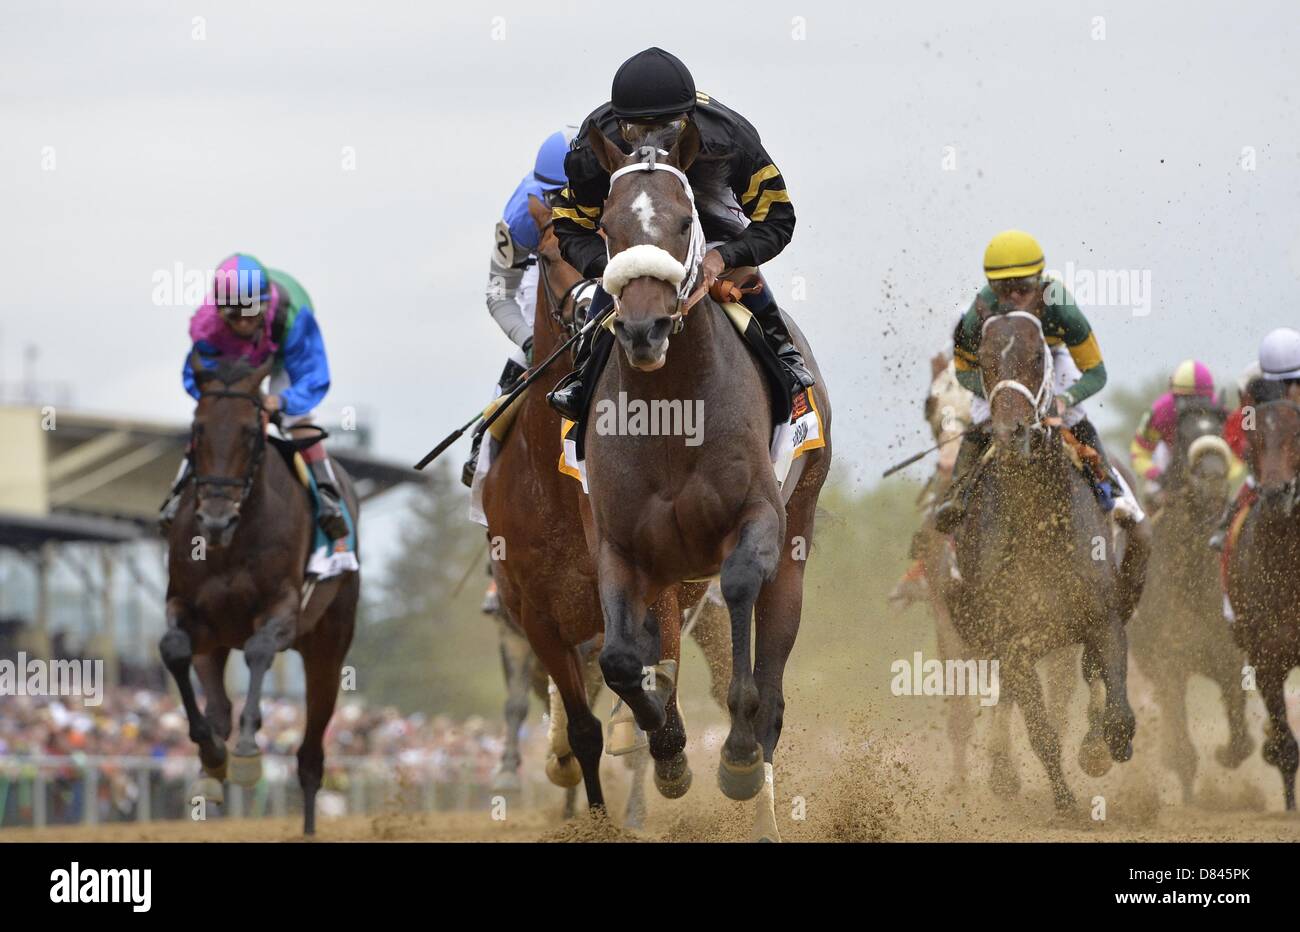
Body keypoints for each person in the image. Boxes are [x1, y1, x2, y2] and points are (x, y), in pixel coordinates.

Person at [547, 46, 812, 421]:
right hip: (631, 217)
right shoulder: (591, 156)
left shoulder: (731, 141)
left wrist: (724, 257)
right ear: (619, 127)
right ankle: (585, 374)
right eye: (636, 133)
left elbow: (778, 220)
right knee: (617, 283)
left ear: (688, 122)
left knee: (735, 256)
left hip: (706, 206)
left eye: (667, 131)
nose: (651, 145)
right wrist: (614, 265)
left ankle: (783, 353)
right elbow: (571, 228)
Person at [934, 229, 1142, 532]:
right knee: (980, 422)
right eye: (1004, 289)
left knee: (1074, 418)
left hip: (1050, 360)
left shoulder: (1060, 306)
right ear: (991, 286)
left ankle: (1112, 488)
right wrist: (998, 394)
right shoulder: (977, 315)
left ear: (1041, 280)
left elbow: (1097, 373)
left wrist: (1064, 399)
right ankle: (956, 496)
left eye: (1024, 287)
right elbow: (963, 370)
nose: (1014, 297)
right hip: (1000, 372)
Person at [158, 253, 348, 539]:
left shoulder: (292, 319)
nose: (244, 323)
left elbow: (313, 378)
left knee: (295, 417)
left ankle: (327, 495)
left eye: (251, 312)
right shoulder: (208, 328)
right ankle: (177, 491)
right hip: (233, 356)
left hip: (281, 351)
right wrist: (231, 400)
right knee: (215, 419)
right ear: (220, 311)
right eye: (235, 315)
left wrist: (280, 402)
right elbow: (195, 380)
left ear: (265, 305)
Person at [462, 127, 587, 487]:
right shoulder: (520, 219)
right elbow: (499, 294)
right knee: (543, 328)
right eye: (557, 199)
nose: (567, 210)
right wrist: (531, 341)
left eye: (575, 198)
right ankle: (484, 442)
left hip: (602, 258)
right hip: (543, 265)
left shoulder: (617, 196)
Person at [1128, 359, 1224, 508]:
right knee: (1154, 496)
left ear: (1209, 396)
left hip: (1204, 455)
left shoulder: (1217, 407)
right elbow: (1139, 453)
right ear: (1175, 396)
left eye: (1200, 400)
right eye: (1187, 400)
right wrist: (1158, 475)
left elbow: (1234, 448)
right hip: (1168, 453)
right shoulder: (1161, 410)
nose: (1195, 408)